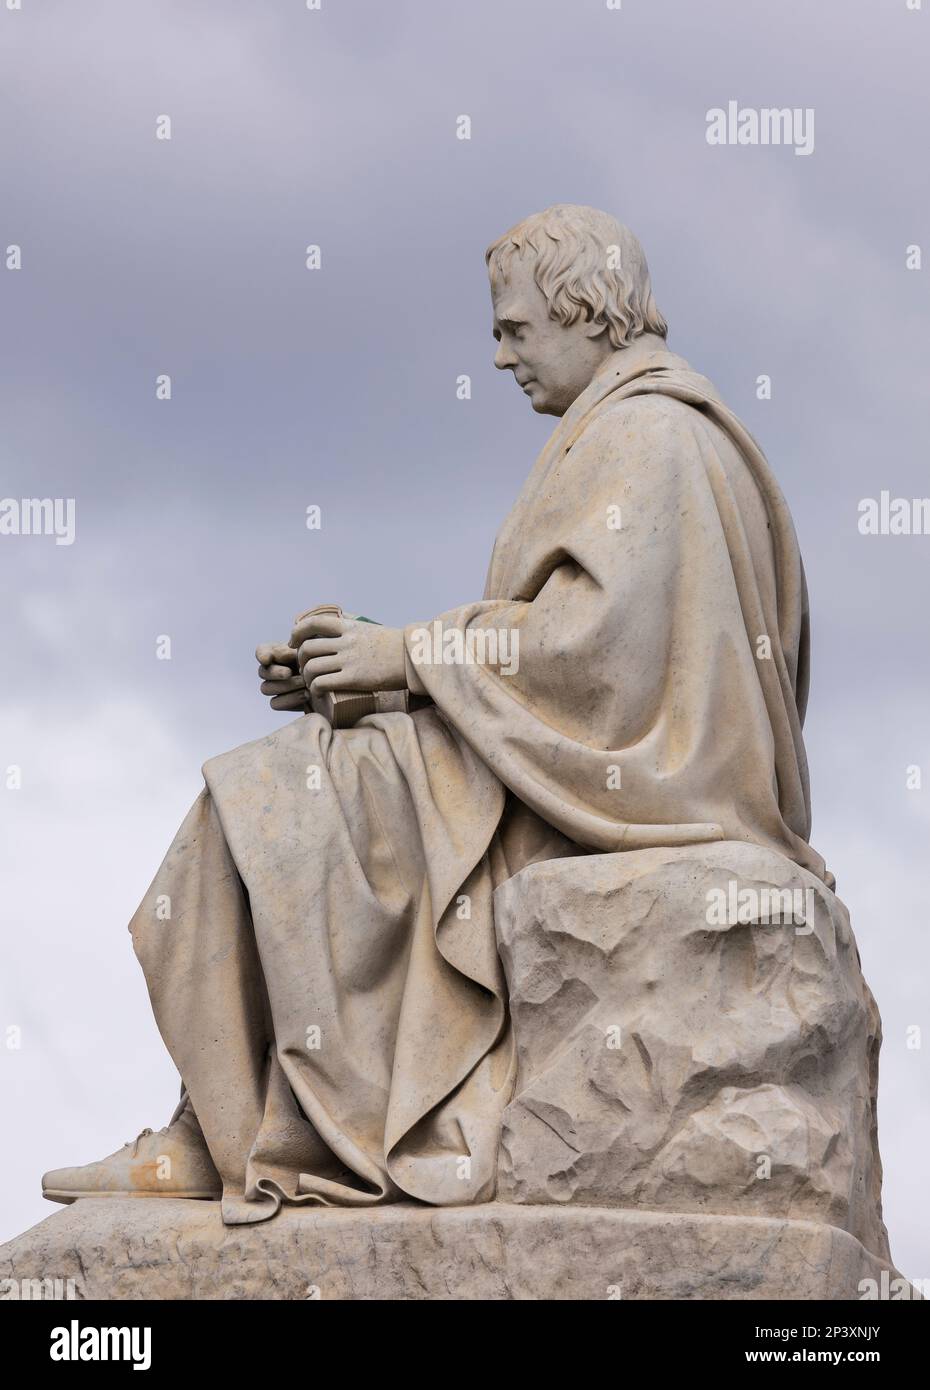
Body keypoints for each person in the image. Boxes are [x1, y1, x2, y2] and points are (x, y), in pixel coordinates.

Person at [42, 205, 828, 1225]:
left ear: (587, 312)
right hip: (584, 766)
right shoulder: (637, 428)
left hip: (628, 790)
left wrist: (407, 656)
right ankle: (230, 1111)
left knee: (281, 796)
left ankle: (237, 1127)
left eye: (514, 330)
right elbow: (558, 648)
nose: (497, 356)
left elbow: (600, 657)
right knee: (300, 781)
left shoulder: (650, 437)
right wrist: (371, 666)